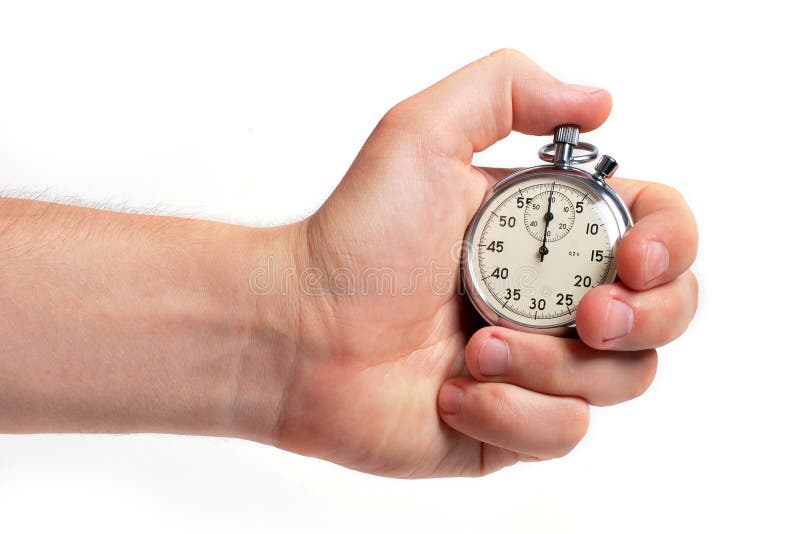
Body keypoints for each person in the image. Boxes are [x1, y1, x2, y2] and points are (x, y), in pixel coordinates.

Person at [0, 49, 698, 478]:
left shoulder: (597, 219)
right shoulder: (522, 202)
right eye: (530, 232)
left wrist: (294, 333)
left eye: (565, 248)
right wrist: (295, 321)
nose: (541, 246)